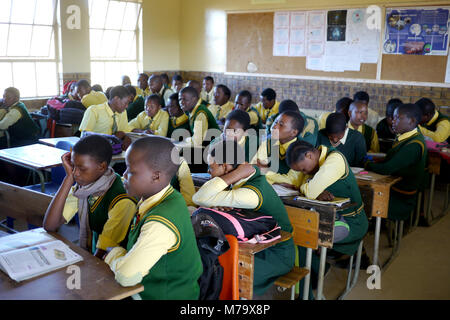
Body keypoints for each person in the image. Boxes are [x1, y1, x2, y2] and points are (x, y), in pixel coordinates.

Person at [104, 136, 203, 300]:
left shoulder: (161, 222)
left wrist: (114, 253)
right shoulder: (163, 196)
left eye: (131, 171)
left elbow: (127, 276)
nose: (124, 175)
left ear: (156, 176)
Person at [192, 140, 295, 296]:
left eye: (211, 168)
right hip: (251, 244)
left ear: (225, 166)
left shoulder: (252, 193)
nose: (208, 172)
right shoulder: (242, 180)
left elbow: (199, 197)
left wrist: (236, 174)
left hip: (275, 253)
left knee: (217, 274)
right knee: (206, 264)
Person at [283, 140, 368, 299]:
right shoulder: (314, 162)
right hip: (328, 215)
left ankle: (306, 294)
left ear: (309, 155)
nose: (305, 173)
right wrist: (311, 188)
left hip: (351, 222)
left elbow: (308, 189)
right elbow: (309, 188)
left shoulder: (335, 159)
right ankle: (312, 276)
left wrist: (309, 187)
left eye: (303, 169)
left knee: (302, 238)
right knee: (297, 233)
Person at [43, 135, 137, 258]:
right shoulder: (84, 188)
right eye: (73, 166)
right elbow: (50, 225)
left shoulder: (122, 200)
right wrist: (68, 179)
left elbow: (103, 253)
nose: (75, 173)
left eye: (81, 168)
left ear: (102, 166)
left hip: (116, 263)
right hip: (95, 254)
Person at [366, 103, 428, 221]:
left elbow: (387, 169)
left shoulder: (413, 145)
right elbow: (393, 160)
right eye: (393, 118)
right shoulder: (407, 136)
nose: (393, 121)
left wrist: (366, 165)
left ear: (412, 121)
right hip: (394, 188)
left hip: (401, 197)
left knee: (362, 197)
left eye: (397, 118)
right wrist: (378, 160)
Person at [252, 111, 305, 176]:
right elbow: (256, 165)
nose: (274, 127)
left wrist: (266, 171)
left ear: (294, 132)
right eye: (275, 122)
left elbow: (292, 181)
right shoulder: (268, 142)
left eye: (281, 125)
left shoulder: (301, 150)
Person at [79, 85, 132, 150]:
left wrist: (126, 137)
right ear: (116, 99)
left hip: (115, 151)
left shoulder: (123, 112)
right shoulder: (94, 111)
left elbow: (124, 132)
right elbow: (84, 136)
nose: (127, 106)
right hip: (94, 150)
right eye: (125, 103)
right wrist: (111, 138)